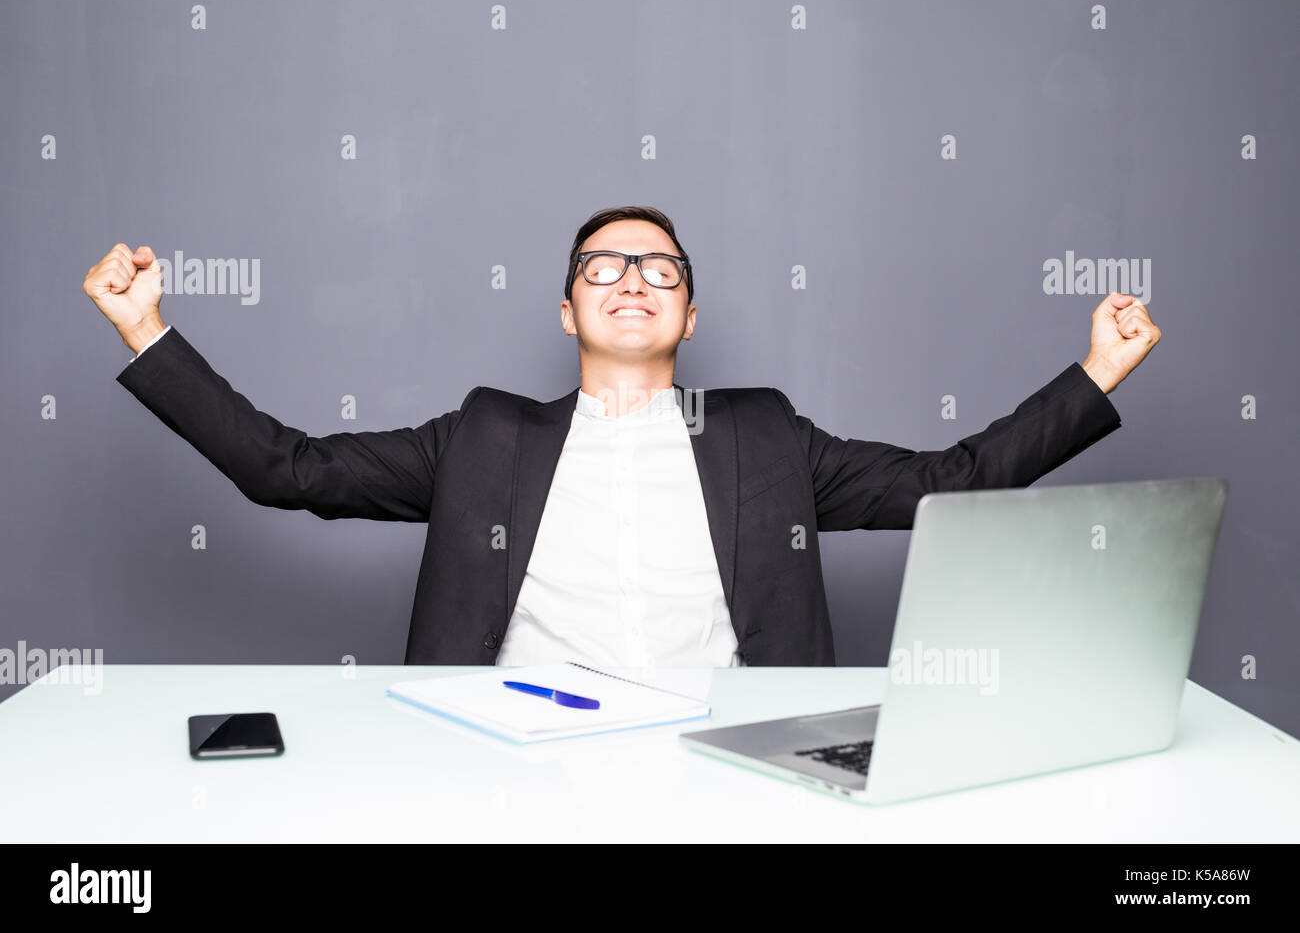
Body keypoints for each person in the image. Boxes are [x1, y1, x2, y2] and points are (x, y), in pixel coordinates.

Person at [82, 205, 1161, 668]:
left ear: (689, 315)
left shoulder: (767, 435)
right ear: (567, 311)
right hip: (515, 764)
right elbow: (290, 468)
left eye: (659, 268)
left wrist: (1095, 374)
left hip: (732, 765)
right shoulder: (484, 439)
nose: (632, 279)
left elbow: (951, 481)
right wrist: (147, 329)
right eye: (603, 265)